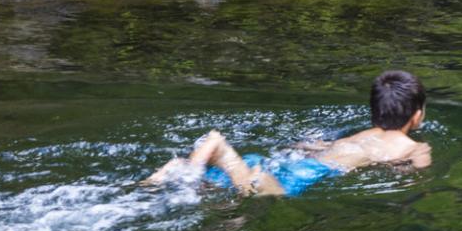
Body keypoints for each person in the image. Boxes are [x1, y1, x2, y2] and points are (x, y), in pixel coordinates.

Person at [146, 70, 432, 196]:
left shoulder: (357, 137)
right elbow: (415, 176)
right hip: (304, 174)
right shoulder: (414, 147)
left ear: (374, 110)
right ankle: (219, 148)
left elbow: (318, 146)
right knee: (263, 193)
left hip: (296, 160)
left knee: (220, 186)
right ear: (417, 115)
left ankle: (180, 168)